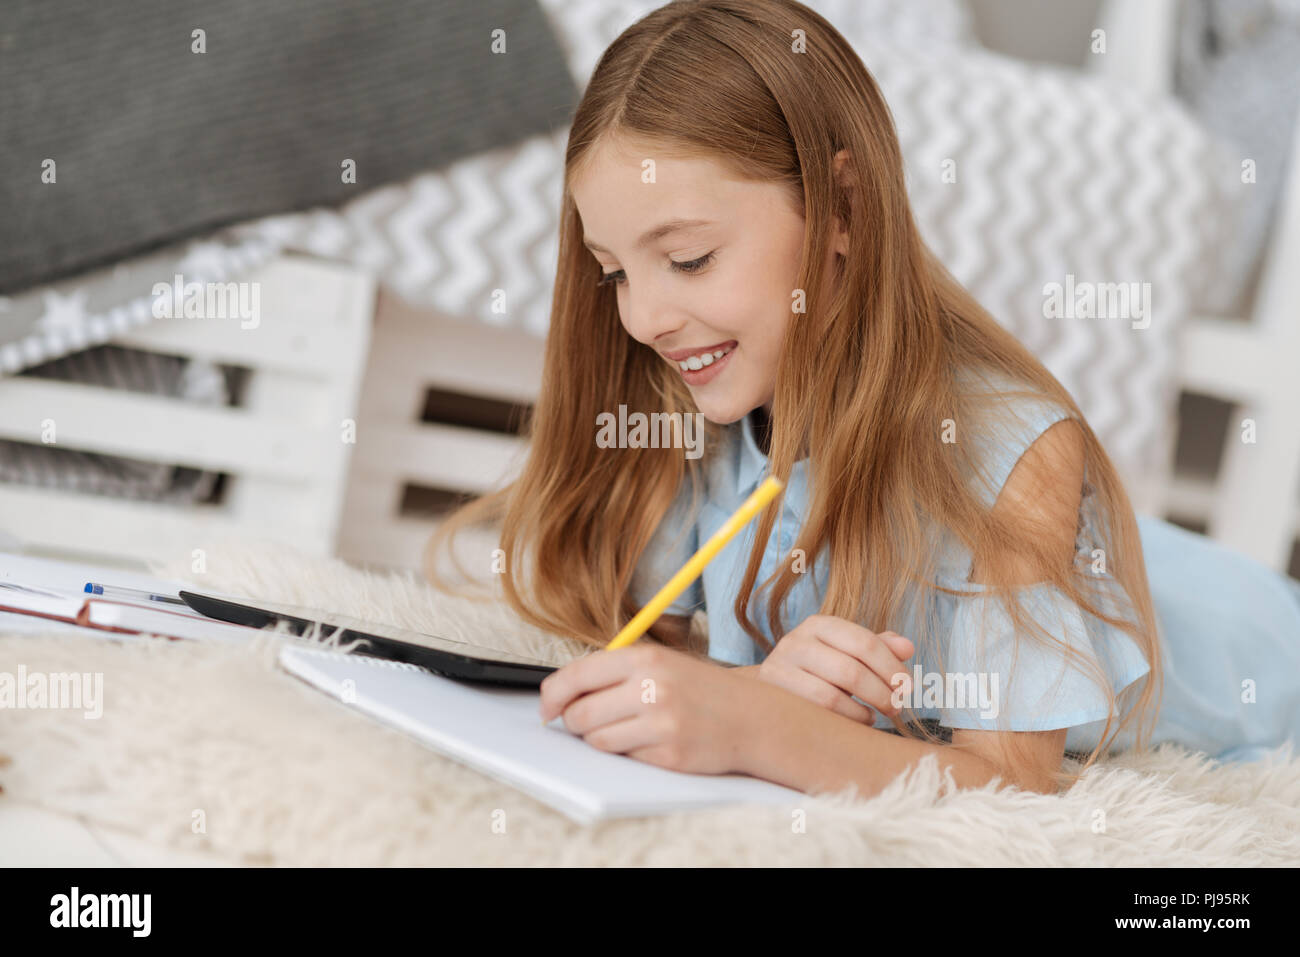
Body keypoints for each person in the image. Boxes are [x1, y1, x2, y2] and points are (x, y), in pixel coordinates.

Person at [424, 0, 1300, 797]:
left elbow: (1014, 783)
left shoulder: (1018, 453)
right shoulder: (696, 409)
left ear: (842, 207)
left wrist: (759, 724)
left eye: (688, 259)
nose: (645, 317)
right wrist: (757, 687)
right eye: (613, 272)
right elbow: (665, 651)